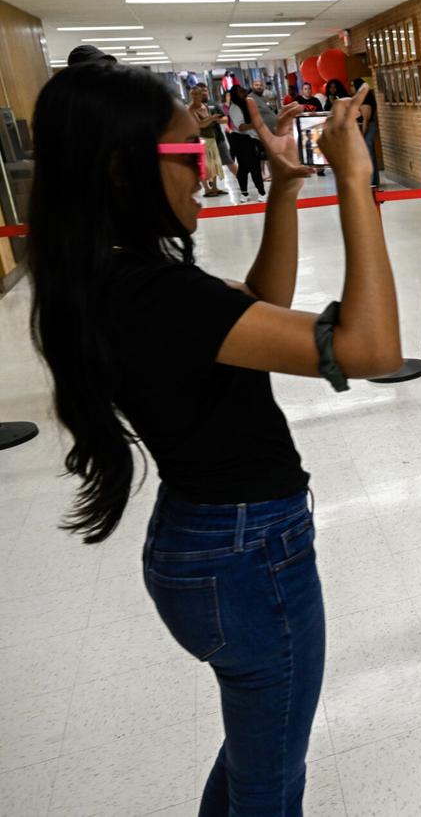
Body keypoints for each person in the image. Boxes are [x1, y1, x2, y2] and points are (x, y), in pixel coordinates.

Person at [27, 61, 400, 811]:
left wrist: (288, 192)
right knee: (271, 780)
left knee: (256, 754)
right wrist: (355, 183)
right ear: (121, 168)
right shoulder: (152, 295)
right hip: (246, 557)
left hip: (206, 546)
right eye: (189, 156)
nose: (205, 175)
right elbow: (370, 350)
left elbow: (259, 307)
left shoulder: (116, 277)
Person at [228, 84, 266, 201]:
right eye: (240, 91)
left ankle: (245, 194)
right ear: (235, 95)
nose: (243, 93)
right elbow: (241, 127)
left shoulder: (246, 104)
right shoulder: (235, 107)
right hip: (242, 140)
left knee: (245, 168)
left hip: (248, 139)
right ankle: (261, 193)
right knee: (252, 167)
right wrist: (255, 124)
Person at [189, 84, 227, 197]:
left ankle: (215, 187)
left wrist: (213, 119)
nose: (196, 97)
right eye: (193, 94)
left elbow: (221, 119)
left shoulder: (205, 105)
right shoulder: (191, 109)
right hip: (199, 139)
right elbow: (200, 124)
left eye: (198, 94)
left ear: (202, 95)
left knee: (214, 163)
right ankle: (206, 188)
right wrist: (212, 118)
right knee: (204, 165)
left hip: (211, 137)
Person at [352, 76, 380, 187]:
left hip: (367, 128)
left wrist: (362, 135)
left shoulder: (366, 100)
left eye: (352, 86)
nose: (350, 88)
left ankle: (372, 181)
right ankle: (371, 180)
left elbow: (365, 120)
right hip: (366, 128)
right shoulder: (361, 99)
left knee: (369, 154)